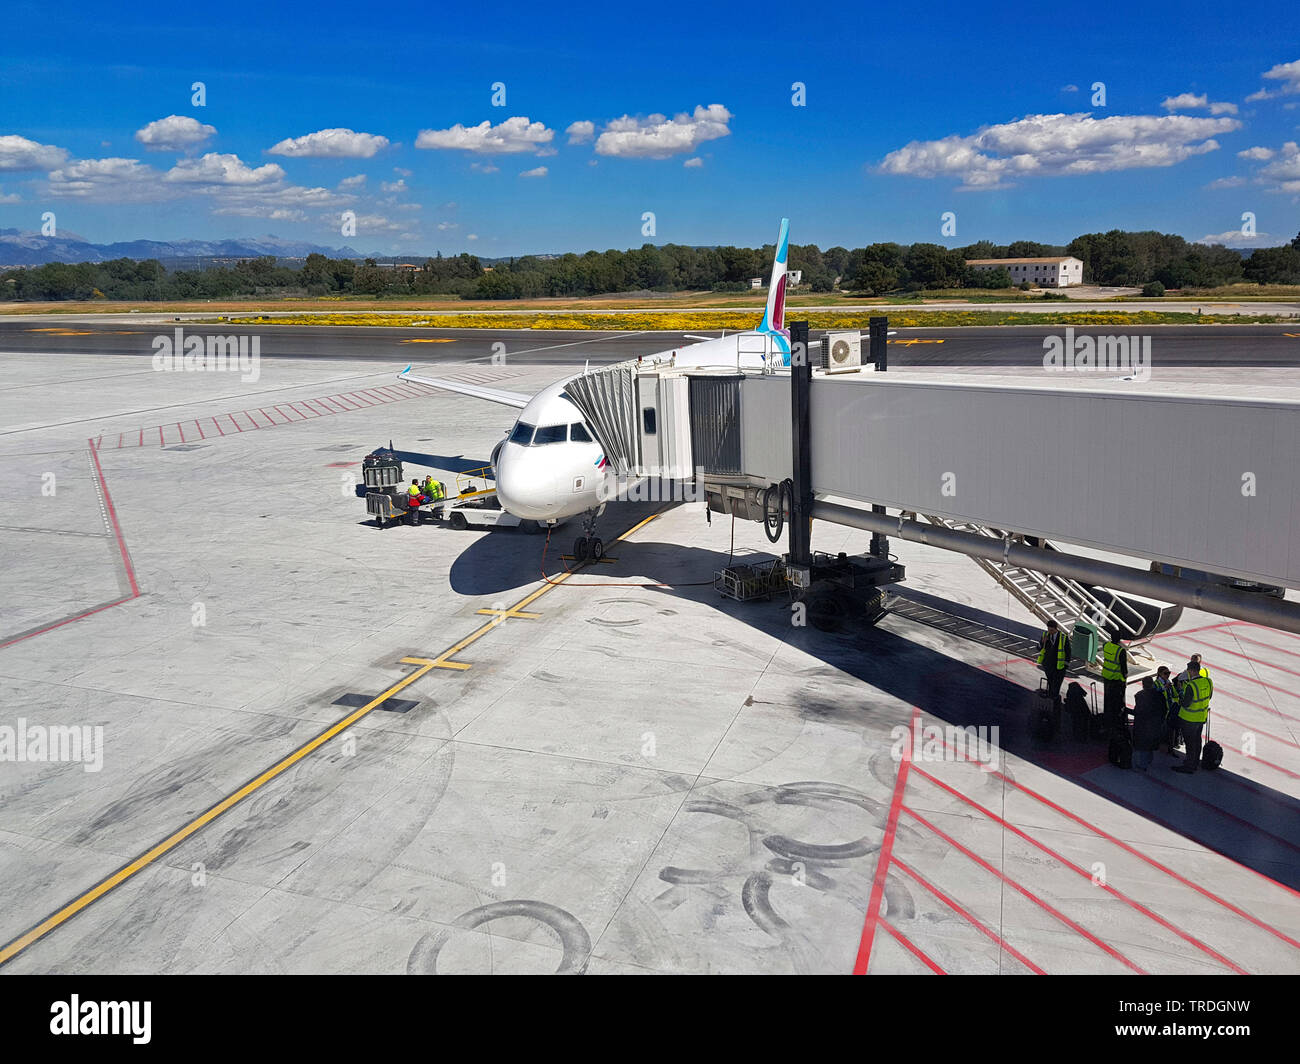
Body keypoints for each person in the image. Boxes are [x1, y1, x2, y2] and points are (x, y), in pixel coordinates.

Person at [1173, 657, 1213, 774]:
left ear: (1191, 671)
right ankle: (1195, 762)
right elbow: (1209, 697)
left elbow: (1185, 704)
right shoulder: (1208, 681)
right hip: (1201, 717)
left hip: (1189, 719)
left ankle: (1189, 766)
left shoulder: (1191, 686)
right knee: (1197, 741)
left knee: (1190, 744)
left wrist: (1181, 693)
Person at [1131, 676, 1163, 772]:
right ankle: (1148, 760)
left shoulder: (1140, 696)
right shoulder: (1159, 695)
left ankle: (1141, 765)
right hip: (1155, 724)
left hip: (1143, 724)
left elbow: (1139, 711)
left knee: (1141, 746)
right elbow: (1163, 710)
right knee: (1150, 744)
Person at [1099, 634, 1129, 737]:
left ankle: (1107, 722)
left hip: (1106, 676)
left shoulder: (1106, 645)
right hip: (1117, 680)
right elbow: (1123, 668)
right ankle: (1117, 724)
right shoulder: (1121, 651)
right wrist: (1125, 678)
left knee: (1107, 700)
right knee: (1118, 703)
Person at [1036, 620, 1070, 707]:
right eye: (1048, 630)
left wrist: (1065, 665)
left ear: (1055, 629)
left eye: (1051, 630)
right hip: (1048, 665)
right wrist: (1042, 642)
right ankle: (1051, 699)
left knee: (1057, 684)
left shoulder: (1063, 637)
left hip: (1059, 666)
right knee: (1051, 682)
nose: (1049, 632)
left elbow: (1068, 652)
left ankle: (1054, 700)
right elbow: (1038, 648)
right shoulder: (1045, 635)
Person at [1153, 665, 1182, 753]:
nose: (1168, 675)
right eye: (1165, 673)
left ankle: (1170, 747)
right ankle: (1157, 744)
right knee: (1160, 729)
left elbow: (1174, 695)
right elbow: (1155, 693)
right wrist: (1164, 688)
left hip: (1170, 709)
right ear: (1160, 674)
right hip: (1162, 710)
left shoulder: (1168, 681)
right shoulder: (1157, 683)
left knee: (1170, 729)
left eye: (1169, 673)